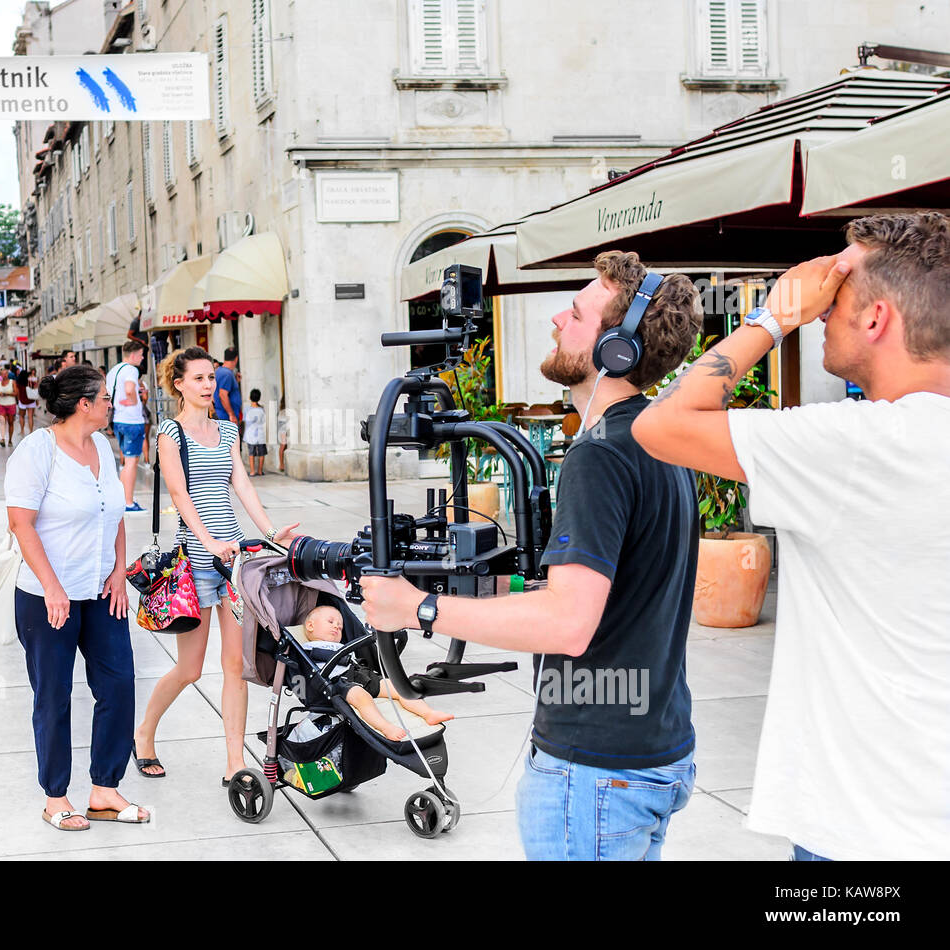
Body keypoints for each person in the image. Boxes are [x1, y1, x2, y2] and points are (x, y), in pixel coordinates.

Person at [360, 251, 704, 861]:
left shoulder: (600, 455)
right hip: (650, 749)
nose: (555, 320)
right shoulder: (661, 436)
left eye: (575, 314)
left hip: (595, 773)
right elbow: (615, 594)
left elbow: (568, 625)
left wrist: (419, 609)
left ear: (615, 349)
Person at [632, 211, 950, 861]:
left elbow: (661, 425)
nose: (820, 311)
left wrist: (772, 318)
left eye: (833, 295)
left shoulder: (863, 446)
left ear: (876, 318)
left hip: (868, 827)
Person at [133, 346, 301, 785]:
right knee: (189, 669)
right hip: (194, 563)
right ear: (180, 385)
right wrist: (208, 542)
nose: (209, 385)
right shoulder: (170, 433)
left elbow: (240, 482)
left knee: (234, 666)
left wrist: (269, 532)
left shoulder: (228, 431)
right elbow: (179, 495)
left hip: (234, 563)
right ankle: (144, 733)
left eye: (212, 378)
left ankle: (234, 763)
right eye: (200, 379)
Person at [5, 365, 149, 830]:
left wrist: (118, 572)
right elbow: (21, 524)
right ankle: (55, 796)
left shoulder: (102, 448)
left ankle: (105, 791)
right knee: (54, 695)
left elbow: (117, 515)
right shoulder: (36, 451)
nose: (112, 403)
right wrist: (51, 586)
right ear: (84, 404)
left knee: (119, 685)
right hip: (48, 597)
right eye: (105, 397)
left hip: (101, 591)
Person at [299, 605, 452, 741]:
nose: (337, 627)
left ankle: (428, 713)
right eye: (331, 622)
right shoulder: (309, 648)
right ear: (311, 626)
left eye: (340, 626)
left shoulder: (340, 644)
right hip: (339, 683)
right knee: (362, 698)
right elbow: (320, 661)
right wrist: (344, 656)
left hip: (362, 674)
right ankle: (386, 727)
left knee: (400, 687)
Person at [105, 341, 147, 512]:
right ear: (133, 355)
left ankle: (124, 499)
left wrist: (129, 397)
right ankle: (128, 503)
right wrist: (134, 400)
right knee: (132, 461)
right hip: (132, 420)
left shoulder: (114, 370)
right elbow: (129, 389)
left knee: (126, 460)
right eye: (141, 354)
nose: (142, 357)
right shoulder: (131, 370)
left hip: (118, 419)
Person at [213, 347, 242, 429]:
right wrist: (231, 414)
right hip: (226, 418)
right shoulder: (227, 374)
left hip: (221, 415)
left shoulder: (219, 371)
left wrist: (236, 381)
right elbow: (222, 394)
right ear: (236, 359)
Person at [244, 388, 266, 476]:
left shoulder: (247, 409)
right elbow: (263, 421)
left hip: (250, 434)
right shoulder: (262, 409)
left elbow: (245, 420)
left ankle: (252, 471)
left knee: (251, 453)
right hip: (260, 434)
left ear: (250, 397)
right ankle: (260, 471)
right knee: (261, 453)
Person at [0, 368, 18, 447]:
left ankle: (10, 440)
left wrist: (7, 394)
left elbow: (16, 393)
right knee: (2, 421)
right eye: (3, 374)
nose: (4, 375)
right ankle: (3, 439)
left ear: (8, 374)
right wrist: (0, 394)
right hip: (1, 404)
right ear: (0, 375)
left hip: (11, 403)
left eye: (6, 374)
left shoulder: (12, 382)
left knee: (11, 422)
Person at [16, 369, 37, 438]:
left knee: (21, 416)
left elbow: (18, 392)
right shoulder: (30, 382)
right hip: (31, 400)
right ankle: (31, 431)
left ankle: (22, 430)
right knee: (30, 417)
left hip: (22, 401)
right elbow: (36, 388)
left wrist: (18, 400)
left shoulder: (19, 383)